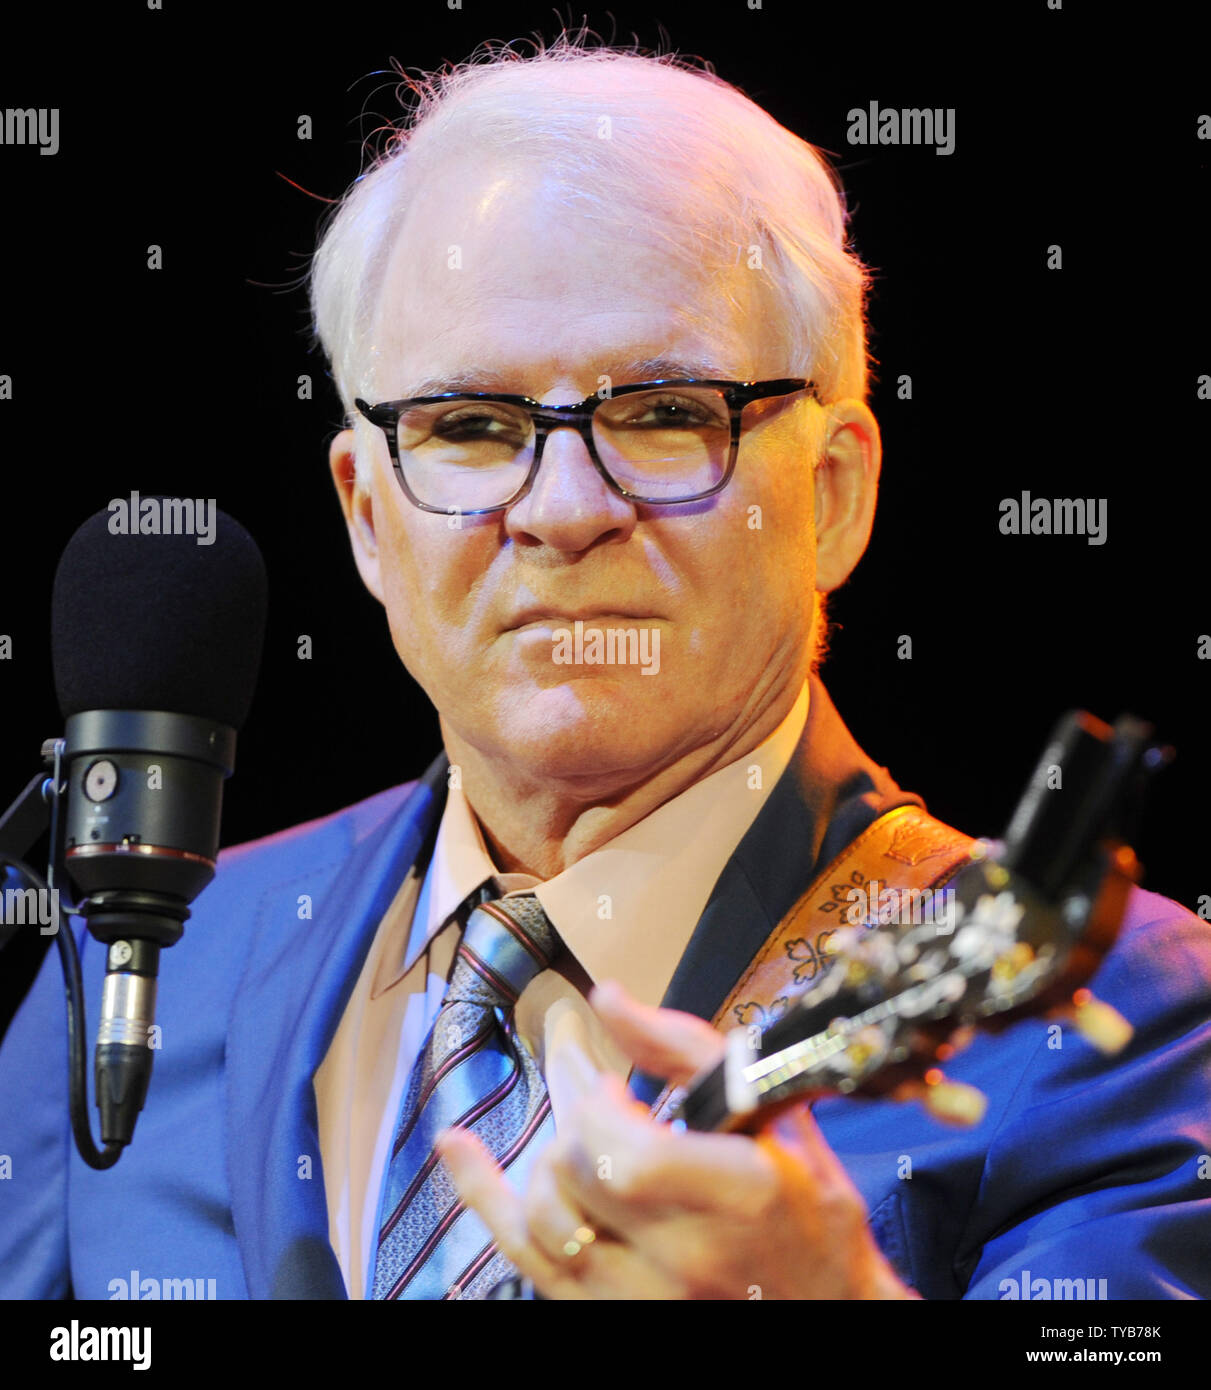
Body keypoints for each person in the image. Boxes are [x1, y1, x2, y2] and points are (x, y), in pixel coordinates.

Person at [1, 35, 1208, 1302]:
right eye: (469, 426)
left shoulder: (1125, 1011)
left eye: (666, 411)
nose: (566, 505)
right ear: (366, 516)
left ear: (835, 495)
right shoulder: (148, 963)